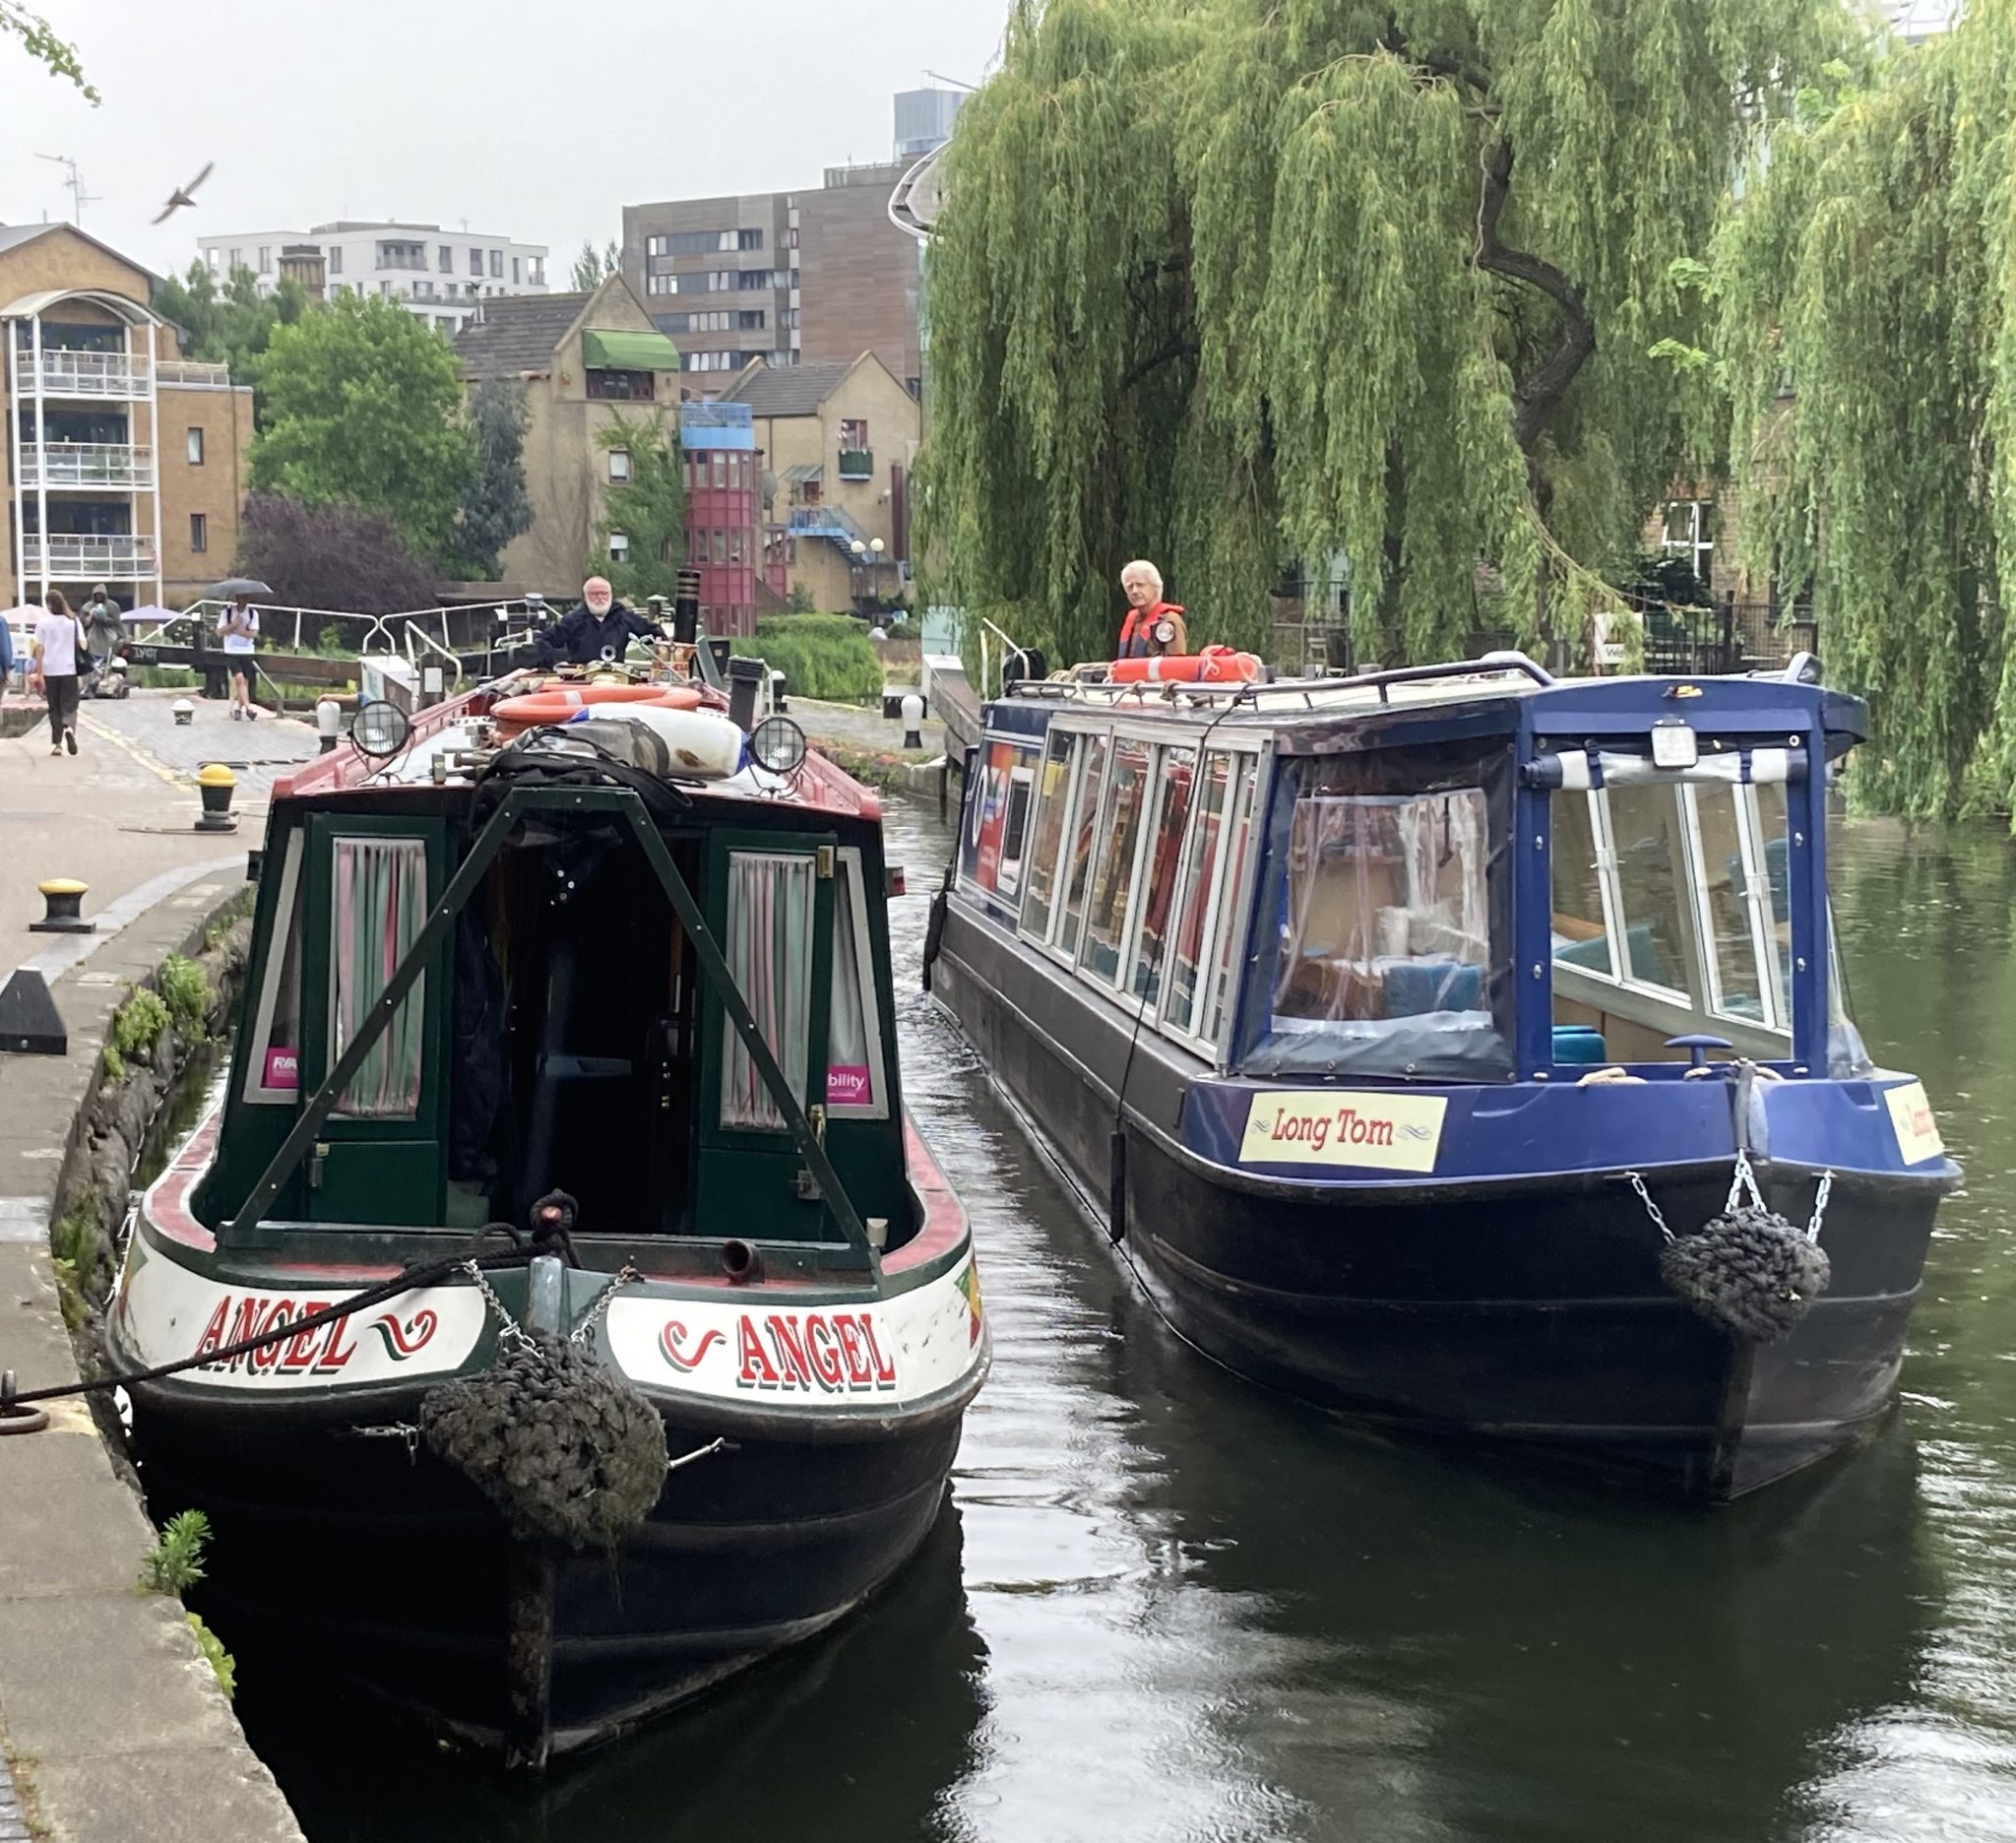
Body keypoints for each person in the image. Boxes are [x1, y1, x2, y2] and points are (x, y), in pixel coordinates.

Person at [533, 576, 660, 667]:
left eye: (604, 593)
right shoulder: (573, 620)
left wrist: (660, 648)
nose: (600, 598)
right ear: (585, 596)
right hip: (581, 677)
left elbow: (654, 632)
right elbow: (544, 641)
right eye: (594, 594)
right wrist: (554, 664)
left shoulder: (624, 618)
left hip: (617, 676)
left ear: (610, 595)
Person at [30, 590, 85, 757]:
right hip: (69, 669)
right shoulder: (73, 621)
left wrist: (39, 673)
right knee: (69, 705)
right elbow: (84, 644)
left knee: (54, 708)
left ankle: (58, 745)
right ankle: (69, 728)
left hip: (50, 670)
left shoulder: (44, 623)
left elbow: (39, 648)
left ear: (48, 605)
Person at [1116, 559, 1188, 659]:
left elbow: (1176, 666)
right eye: (1130, 587)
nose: (1134, 591)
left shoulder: (1169, 620)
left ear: (1155, 587)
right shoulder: (1132, 621)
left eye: (1140, 585)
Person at [218, 594, 259, 721]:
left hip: (247, 651)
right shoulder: (227, 613)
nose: (244, 601)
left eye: (246, 598)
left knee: (245, 682)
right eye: (241, 598)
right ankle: (249, 708)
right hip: (231, 651)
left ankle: (238, 709)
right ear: (237, 599)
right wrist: (233, 625)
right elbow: (219, 632)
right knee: (239, 678)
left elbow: (253, 633)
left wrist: (239, 631)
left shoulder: (252, 613)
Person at [81, 583, 122, 675]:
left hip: (108, 635)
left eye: (101, 594)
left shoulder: (112, 606)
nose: (99, 596)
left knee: (110, 657)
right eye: (96, 594)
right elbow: (83, 623)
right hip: (94, 636)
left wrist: (105, 619)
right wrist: (91, 616)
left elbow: (117, 622)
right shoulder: (88, 606)